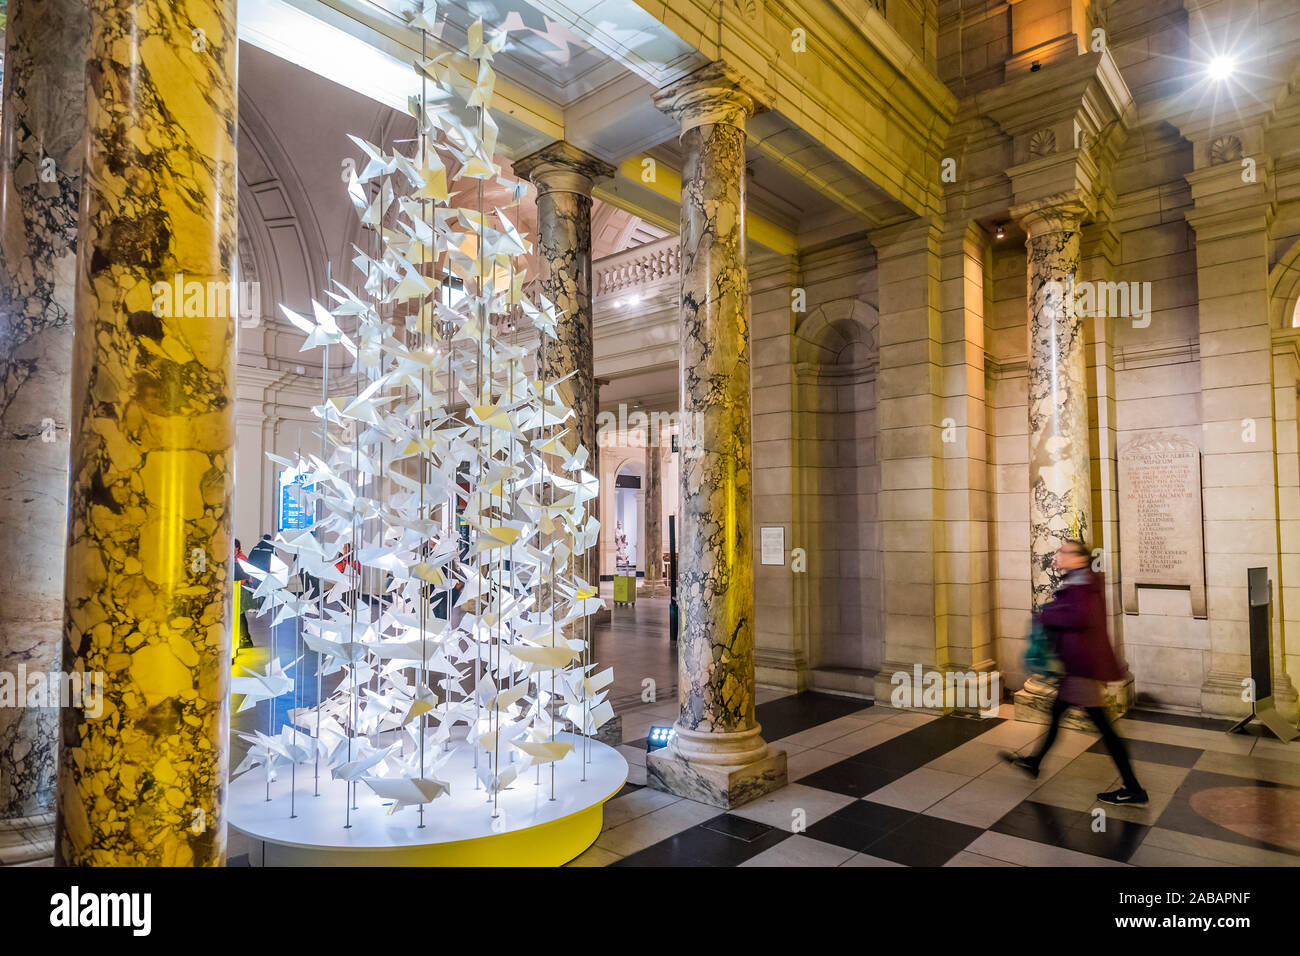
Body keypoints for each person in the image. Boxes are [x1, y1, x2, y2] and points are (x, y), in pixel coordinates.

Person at [1004, 538, 1148, 806]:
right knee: (1057, 713)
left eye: (1066, 552)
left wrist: (1045, 615)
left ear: (1079, 559)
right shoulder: (1077, 583)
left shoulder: (1083, 585)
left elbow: (1079, 617)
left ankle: (1133, 787)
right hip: (1076, 668)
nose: (1060, 556)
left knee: (1105, 729)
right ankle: (1034, 762)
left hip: (1082, 669)